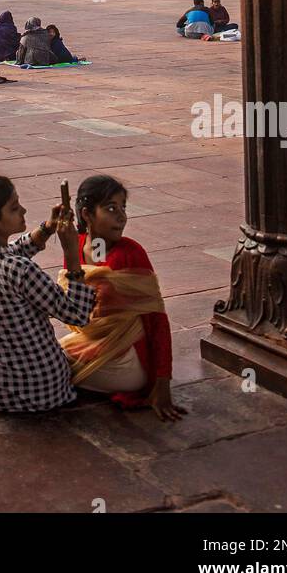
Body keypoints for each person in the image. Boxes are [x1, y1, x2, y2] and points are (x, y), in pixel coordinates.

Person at [0, 176, 97, 412]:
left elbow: (11, 251)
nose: (23, 210)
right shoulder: (20, 270)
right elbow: (77, 315)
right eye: (14, 208)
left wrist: (48, 227)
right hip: (39, 391)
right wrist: (72, 253)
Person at [58, 175, 185, 419]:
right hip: (92, 343)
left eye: (123, 208)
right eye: (111, 209)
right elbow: (74, 311)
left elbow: (157, 321)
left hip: (128, 360)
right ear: (87, 214)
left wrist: (162, 383)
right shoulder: (76, 246)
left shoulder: (131, 254)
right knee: (45, 356)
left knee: (50, 369)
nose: (122, 217)